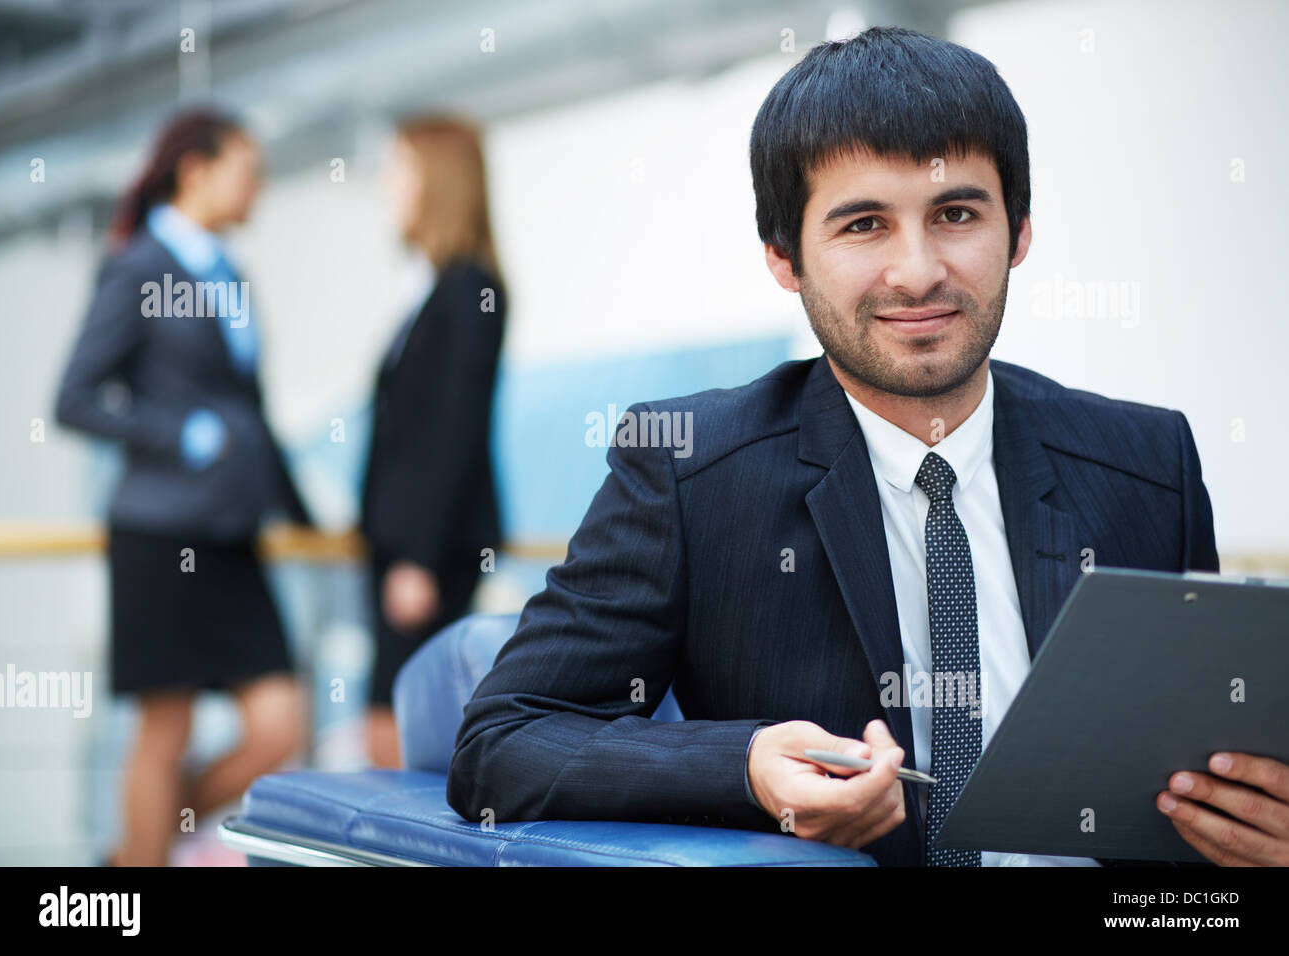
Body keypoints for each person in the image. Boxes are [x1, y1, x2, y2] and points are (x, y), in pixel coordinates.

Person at [448, 27, 1289, 867]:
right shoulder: (689, 471)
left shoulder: (1150, 467)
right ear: (785, 258)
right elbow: (502, 741)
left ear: (1020, 231)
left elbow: (1210, 772)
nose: (918, 272)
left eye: (956, 214)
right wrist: (745, 768)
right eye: (863, 225)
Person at [54, 108, 312, 866]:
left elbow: (252, 409)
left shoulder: (232, 272)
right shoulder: (137, 267)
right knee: (163, 734)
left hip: (233, 535)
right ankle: (136, 874)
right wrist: (180, 434)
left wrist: (300, 512)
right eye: (247, 167)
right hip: (160, 533)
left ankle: (136, 852)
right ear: (195, 170)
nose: (258, 183)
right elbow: (74, 397)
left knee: (278, 726)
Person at [359, 116, 507, 767]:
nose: (388, 186)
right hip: (403, 547)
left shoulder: (470, 291)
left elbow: (454, 429)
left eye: (400, 170)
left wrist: (417, 557)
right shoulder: (434, 291)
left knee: (398, 725)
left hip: (429, 552)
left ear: (437, 182)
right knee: (393, 719)